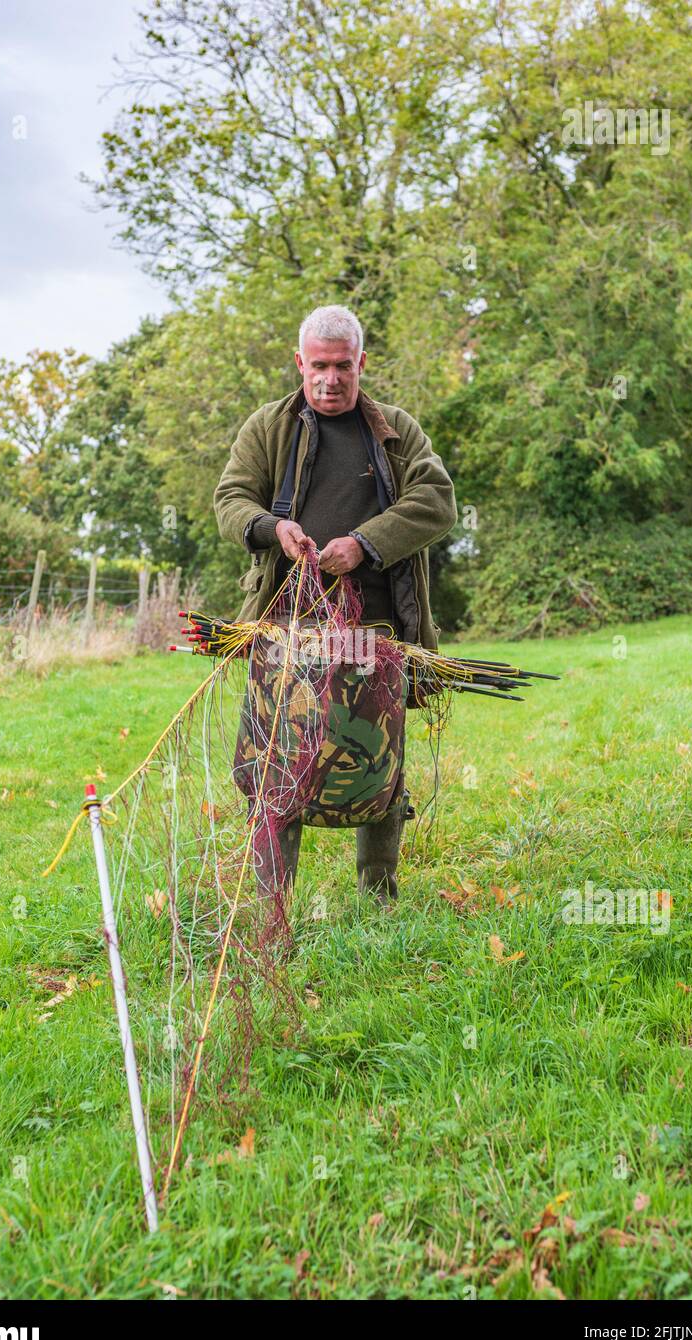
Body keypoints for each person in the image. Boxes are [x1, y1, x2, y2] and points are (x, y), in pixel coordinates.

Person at [213, 304, 457, 901]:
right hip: (285, 630)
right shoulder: (267, 427)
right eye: (318, 365)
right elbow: (230, 499)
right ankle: (274, 904)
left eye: (342, 365)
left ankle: (379, 896)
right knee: (282, 758)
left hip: (377, 632)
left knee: (379, 756)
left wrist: (365, 544)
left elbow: (438, 501)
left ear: (361, 363)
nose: (329, 378)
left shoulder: (398, 430)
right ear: (299, 363)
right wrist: (273, 530)